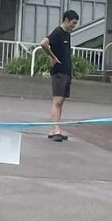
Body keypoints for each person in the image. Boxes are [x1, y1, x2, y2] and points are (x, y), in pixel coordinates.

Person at [38, 10, 79, 141]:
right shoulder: (58, 32)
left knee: (61, 102)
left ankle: (54, 129)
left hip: (66, 71)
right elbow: (43, 43)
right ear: (66, 20)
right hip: (59, 71)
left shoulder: (67, 34)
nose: (74, 26)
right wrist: (53, 57)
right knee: (57, 101)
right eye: (73, 23)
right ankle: (55, 128)